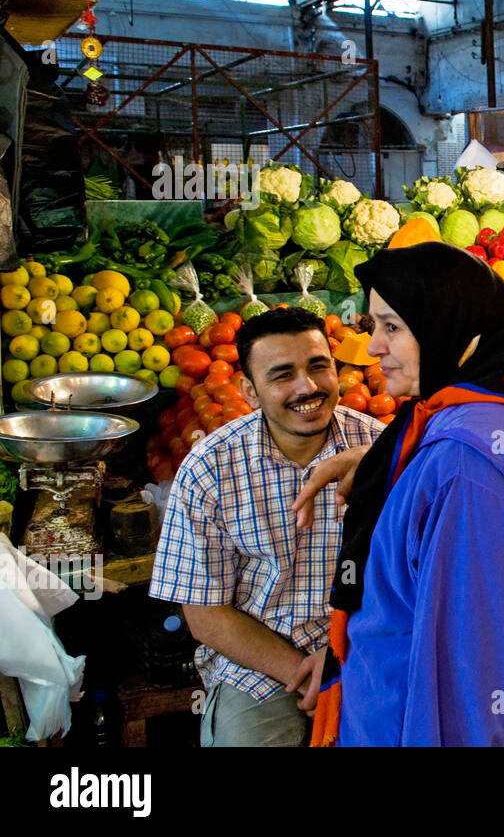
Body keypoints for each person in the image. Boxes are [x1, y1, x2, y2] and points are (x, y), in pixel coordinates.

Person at [290, 242, 504, 747]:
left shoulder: (467, 470)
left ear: (452, 326)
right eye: (373, 326)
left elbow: (477, 683)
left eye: (393, 327)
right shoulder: (496, 409)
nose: (372, 348)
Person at [149, 308, 385, 747]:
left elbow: (415, 581)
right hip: (261, 666)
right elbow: (205, 615)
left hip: (369, 652)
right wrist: (306, 674)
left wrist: (344, 659)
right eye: (282, 375)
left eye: (319, 367)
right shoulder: (210, 468)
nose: (307, 387)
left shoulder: (379, 449)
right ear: (249, 391)